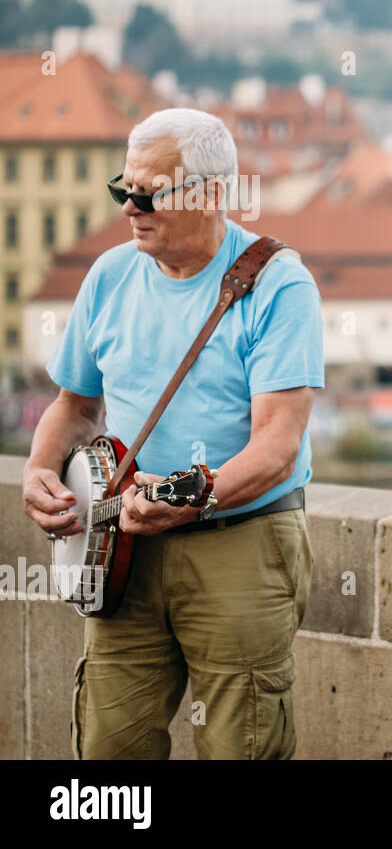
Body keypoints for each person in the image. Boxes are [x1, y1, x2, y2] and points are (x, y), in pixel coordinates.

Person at [22, 108, 325, 759]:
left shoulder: (279, 285)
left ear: (212, 193)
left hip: (239, 542)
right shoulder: (108, 275)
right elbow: (75, 405)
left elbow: (277, 449)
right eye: (123, 189)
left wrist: (193, 496)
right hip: (121, 547)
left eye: (149, 192)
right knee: (109, 749)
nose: (131, 207)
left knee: (241, 745)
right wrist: (39, 471)